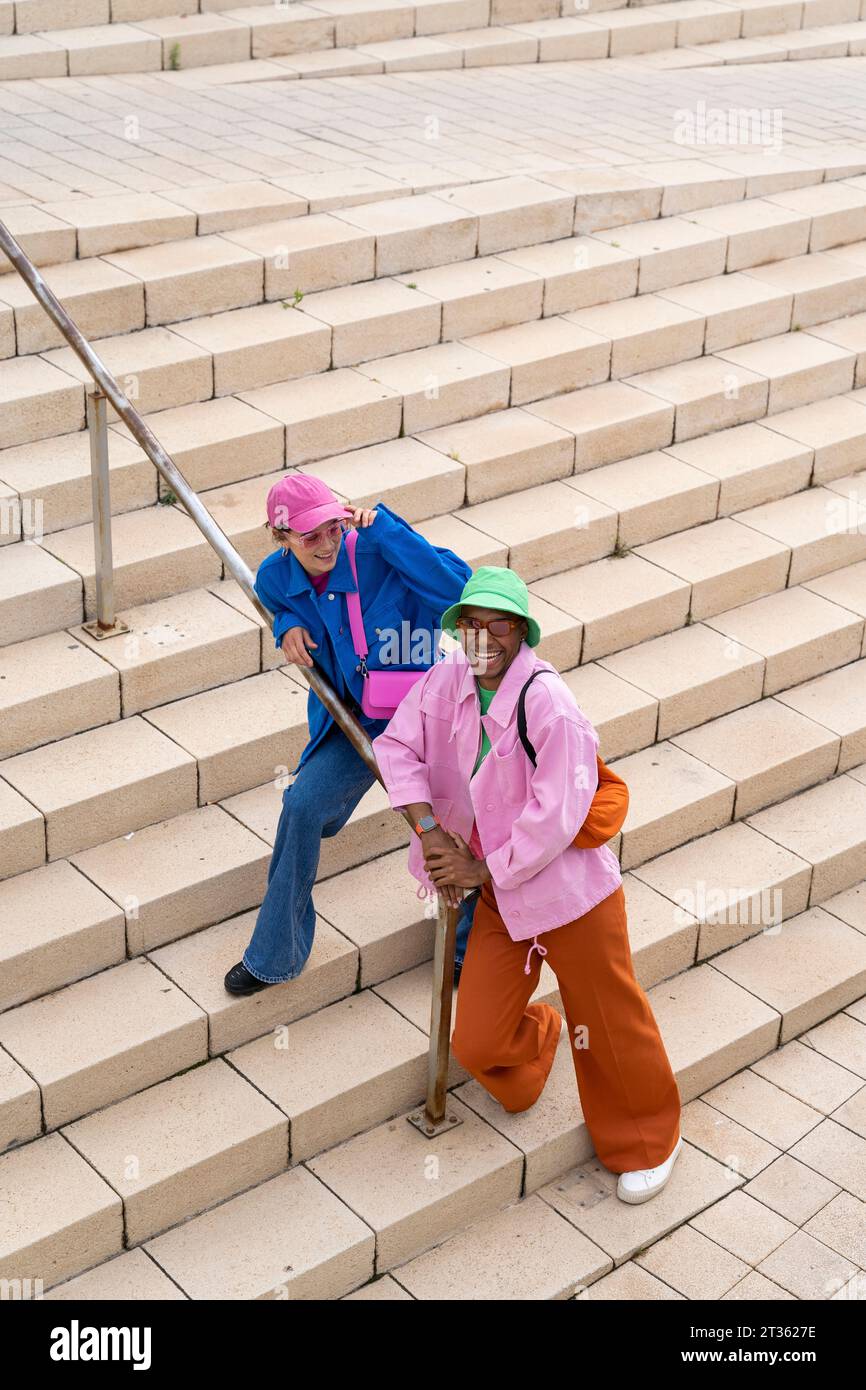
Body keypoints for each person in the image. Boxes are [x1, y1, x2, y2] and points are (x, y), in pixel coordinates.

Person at [371, 565, 683, 1203]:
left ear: (521, 632)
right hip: (500, 895)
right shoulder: (446, 677)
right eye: (472, 625)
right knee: (478, 1040)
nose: (483, 638)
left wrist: (480, 869)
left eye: (499, 625)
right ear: (459, 630)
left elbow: (559, 815)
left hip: (570, 893)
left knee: (609, 1020)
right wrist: (428, 830)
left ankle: (649, 1140)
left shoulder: (549, 704)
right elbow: (396, 745)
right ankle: (543, 1036)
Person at [224, 473, 473, 995]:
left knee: (456, 822)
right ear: (281, 537)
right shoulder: (274, 578)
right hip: (356, 723)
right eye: (309, 535)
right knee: (302, 806)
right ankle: (275, 955)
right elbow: (285, 602)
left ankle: (466, 947)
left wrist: (390, 533)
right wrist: (286, 624)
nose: (326, 543)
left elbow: (459, 594)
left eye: (333, 527)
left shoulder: (378, 551)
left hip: (424, 715)